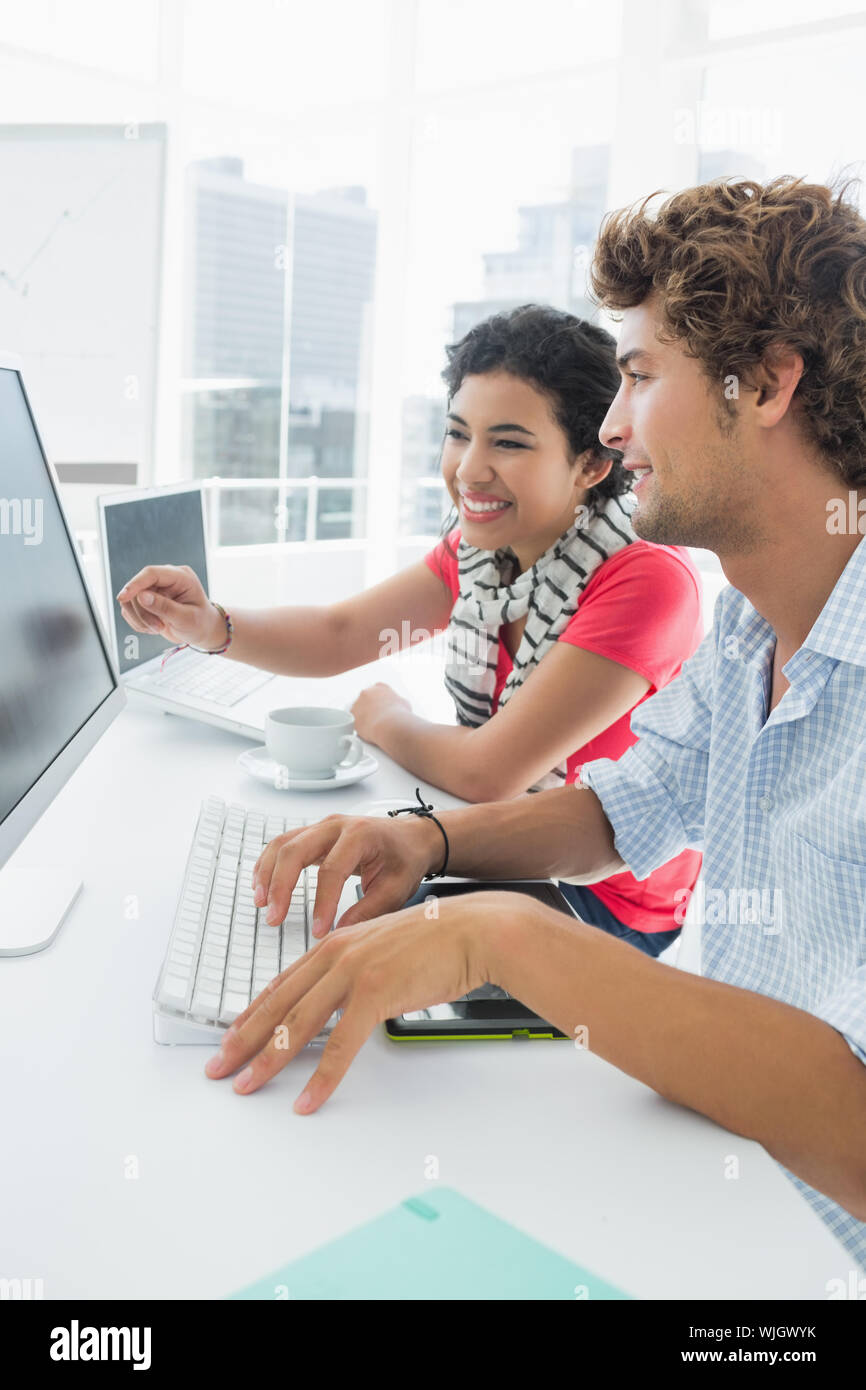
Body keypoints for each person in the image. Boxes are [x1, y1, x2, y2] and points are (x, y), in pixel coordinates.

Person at [204, 176, 866, 1274]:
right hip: (730, 1185)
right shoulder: (753, 629)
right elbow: (626, 806)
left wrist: (500, 931)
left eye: (640, 378)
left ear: (765, 386)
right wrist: (430, 840)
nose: (611, 426)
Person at [118, 305, 703, 956]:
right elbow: (341, 632)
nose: (469, 469)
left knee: (341, 945)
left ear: (592, 465)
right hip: (497, 842)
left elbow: (490, 774)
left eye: (508, 442)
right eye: (459, 433)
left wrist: (387, 717)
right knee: (284, 911)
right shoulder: (484, 549)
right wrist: (212, 625)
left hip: (600, 902)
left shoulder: (647, 580)